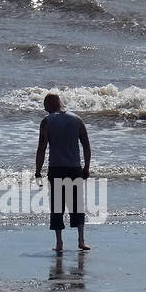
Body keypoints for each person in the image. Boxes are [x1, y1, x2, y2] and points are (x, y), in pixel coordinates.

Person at [34, 93, 92, 252]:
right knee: (77, 205)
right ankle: (81, 240)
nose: (44, 109)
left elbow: (41, 148)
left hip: (56, 168)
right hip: (74, 168)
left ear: (50, 104)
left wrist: (38, 171)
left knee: (57, 206)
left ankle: (59, 243)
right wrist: (86, 167)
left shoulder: (46, 121)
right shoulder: (77, 119)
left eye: (45, 105)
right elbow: (86, 146)